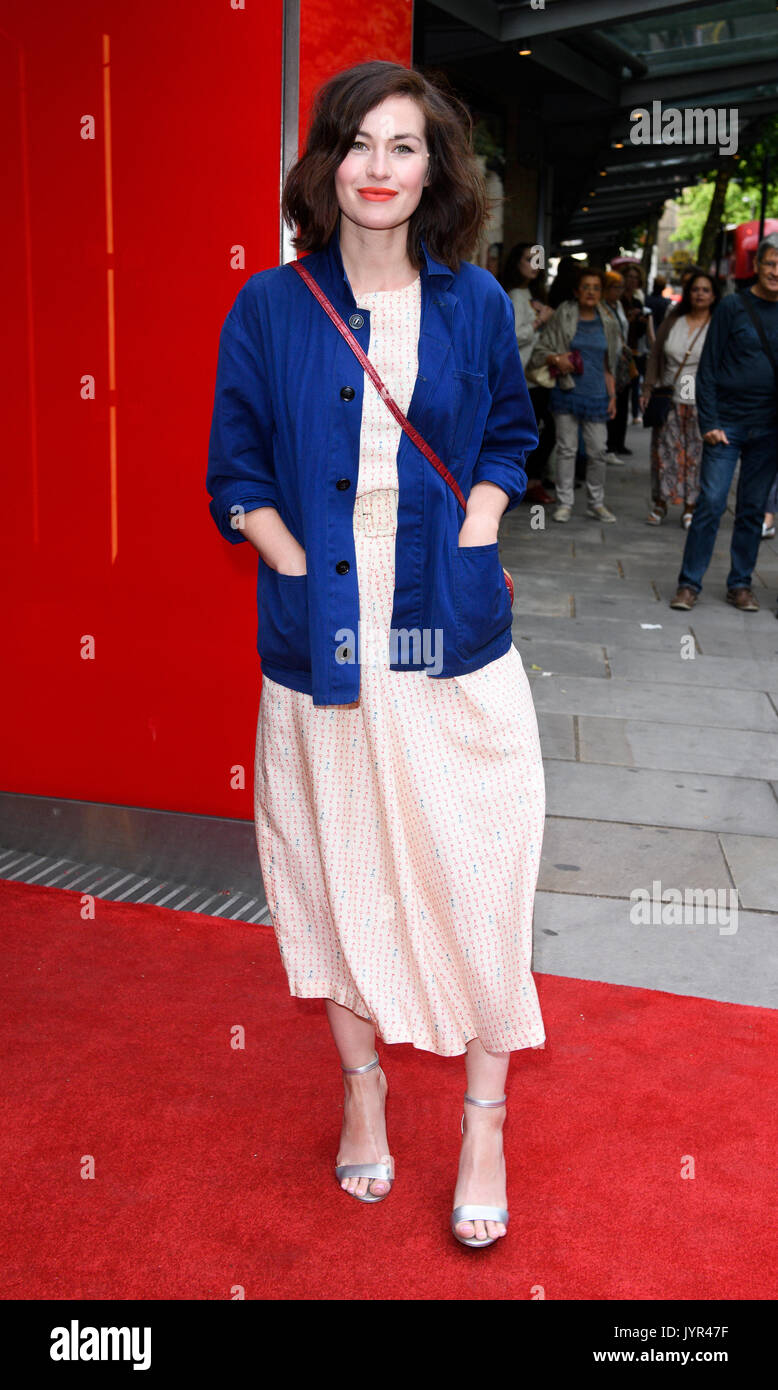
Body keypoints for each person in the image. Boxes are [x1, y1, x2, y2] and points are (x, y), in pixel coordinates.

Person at [206, 60, 547, 1250]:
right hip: (327, 636)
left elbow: (511, 429)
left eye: (404, 146)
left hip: (447, 623)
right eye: (358, 142)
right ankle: (363, 1093)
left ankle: (485, 1117)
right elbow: (233, 468)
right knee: (339, 875)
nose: (379, 167)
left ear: (433, 170)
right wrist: (288, 556)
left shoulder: (475, 306)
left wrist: (479, 521)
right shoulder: (268, 306)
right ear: (325, 164)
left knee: (484, 867)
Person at [670, 234, 778, 611]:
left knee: (752, 509)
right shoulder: (733, 306)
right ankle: (689, 583)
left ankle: (741, 585)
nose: (776, 271)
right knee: (711, 503)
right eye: (770, 263)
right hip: (726, 425)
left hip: (768, 430)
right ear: (758, 267)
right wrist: (710, 421)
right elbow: (709, 368)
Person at [529, 265, 620, 522]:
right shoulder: (563, 316)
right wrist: (557, 358)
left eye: (596, 288)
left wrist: (612, 396)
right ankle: (565, 502)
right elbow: (540, 351)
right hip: (567, 391)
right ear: (576, 291)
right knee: (567, 449)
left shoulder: (609, 322)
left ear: (601, 293)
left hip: (597, 395)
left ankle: (596, 502)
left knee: (598, 451)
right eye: (586, 287)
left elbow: (609, 364)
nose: (591, 292)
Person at [641, 271, 717, 527]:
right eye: (696, 289)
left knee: (696, 455)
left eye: (706, 290)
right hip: (669, 394)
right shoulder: (673, 320)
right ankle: (661, 503)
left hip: (702, 399)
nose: (700, 294)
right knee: (665, 452)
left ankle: (690, 505)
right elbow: (654, 356)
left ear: (714, 295)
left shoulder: (717, 324)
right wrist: (648, 388)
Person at [501, 242, 555, 504]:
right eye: (528, 259)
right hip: (519, 375)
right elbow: (510, 335)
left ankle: (528, 481)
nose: (534, 265)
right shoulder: (511, 294)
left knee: (543, 430)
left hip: (534, 375)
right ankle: (522, 483)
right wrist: (538, 322)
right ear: (516, 263)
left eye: (538, 260)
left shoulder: (533, 294)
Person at [601, 270, 632, 462]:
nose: (619, 291)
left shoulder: (618, 305)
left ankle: (616, 443)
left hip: (621, 359)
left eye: (621, 287)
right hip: (608, 361)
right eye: (615, 287)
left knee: (620, 401)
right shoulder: (602, 308)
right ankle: (609, 446)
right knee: (610, 402)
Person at [622, 263, 655, 430]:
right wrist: (630, 318)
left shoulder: (637, 301)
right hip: (620, 351)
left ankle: (634, 416)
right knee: (621, 392)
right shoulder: (619, 300)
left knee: (634, 386)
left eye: (635, 278)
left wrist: (642, 321)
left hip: (635, 350)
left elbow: (645, 330)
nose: (632, 281)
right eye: (629, 277)